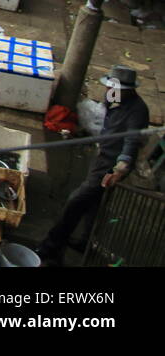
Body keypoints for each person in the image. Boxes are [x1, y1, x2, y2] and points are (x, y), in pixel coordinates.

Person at [37, 66, 151, 266]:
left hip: (112, 164)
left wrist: (120, 169)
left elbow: (132, 142)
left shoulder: (138, 111)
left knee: (76, 201)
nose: (110, 92)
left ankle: (51, 248)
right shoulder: (114, 99)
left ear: (129, 90)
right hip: (102, 155)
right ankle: (85, 241)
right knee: (93, 203)